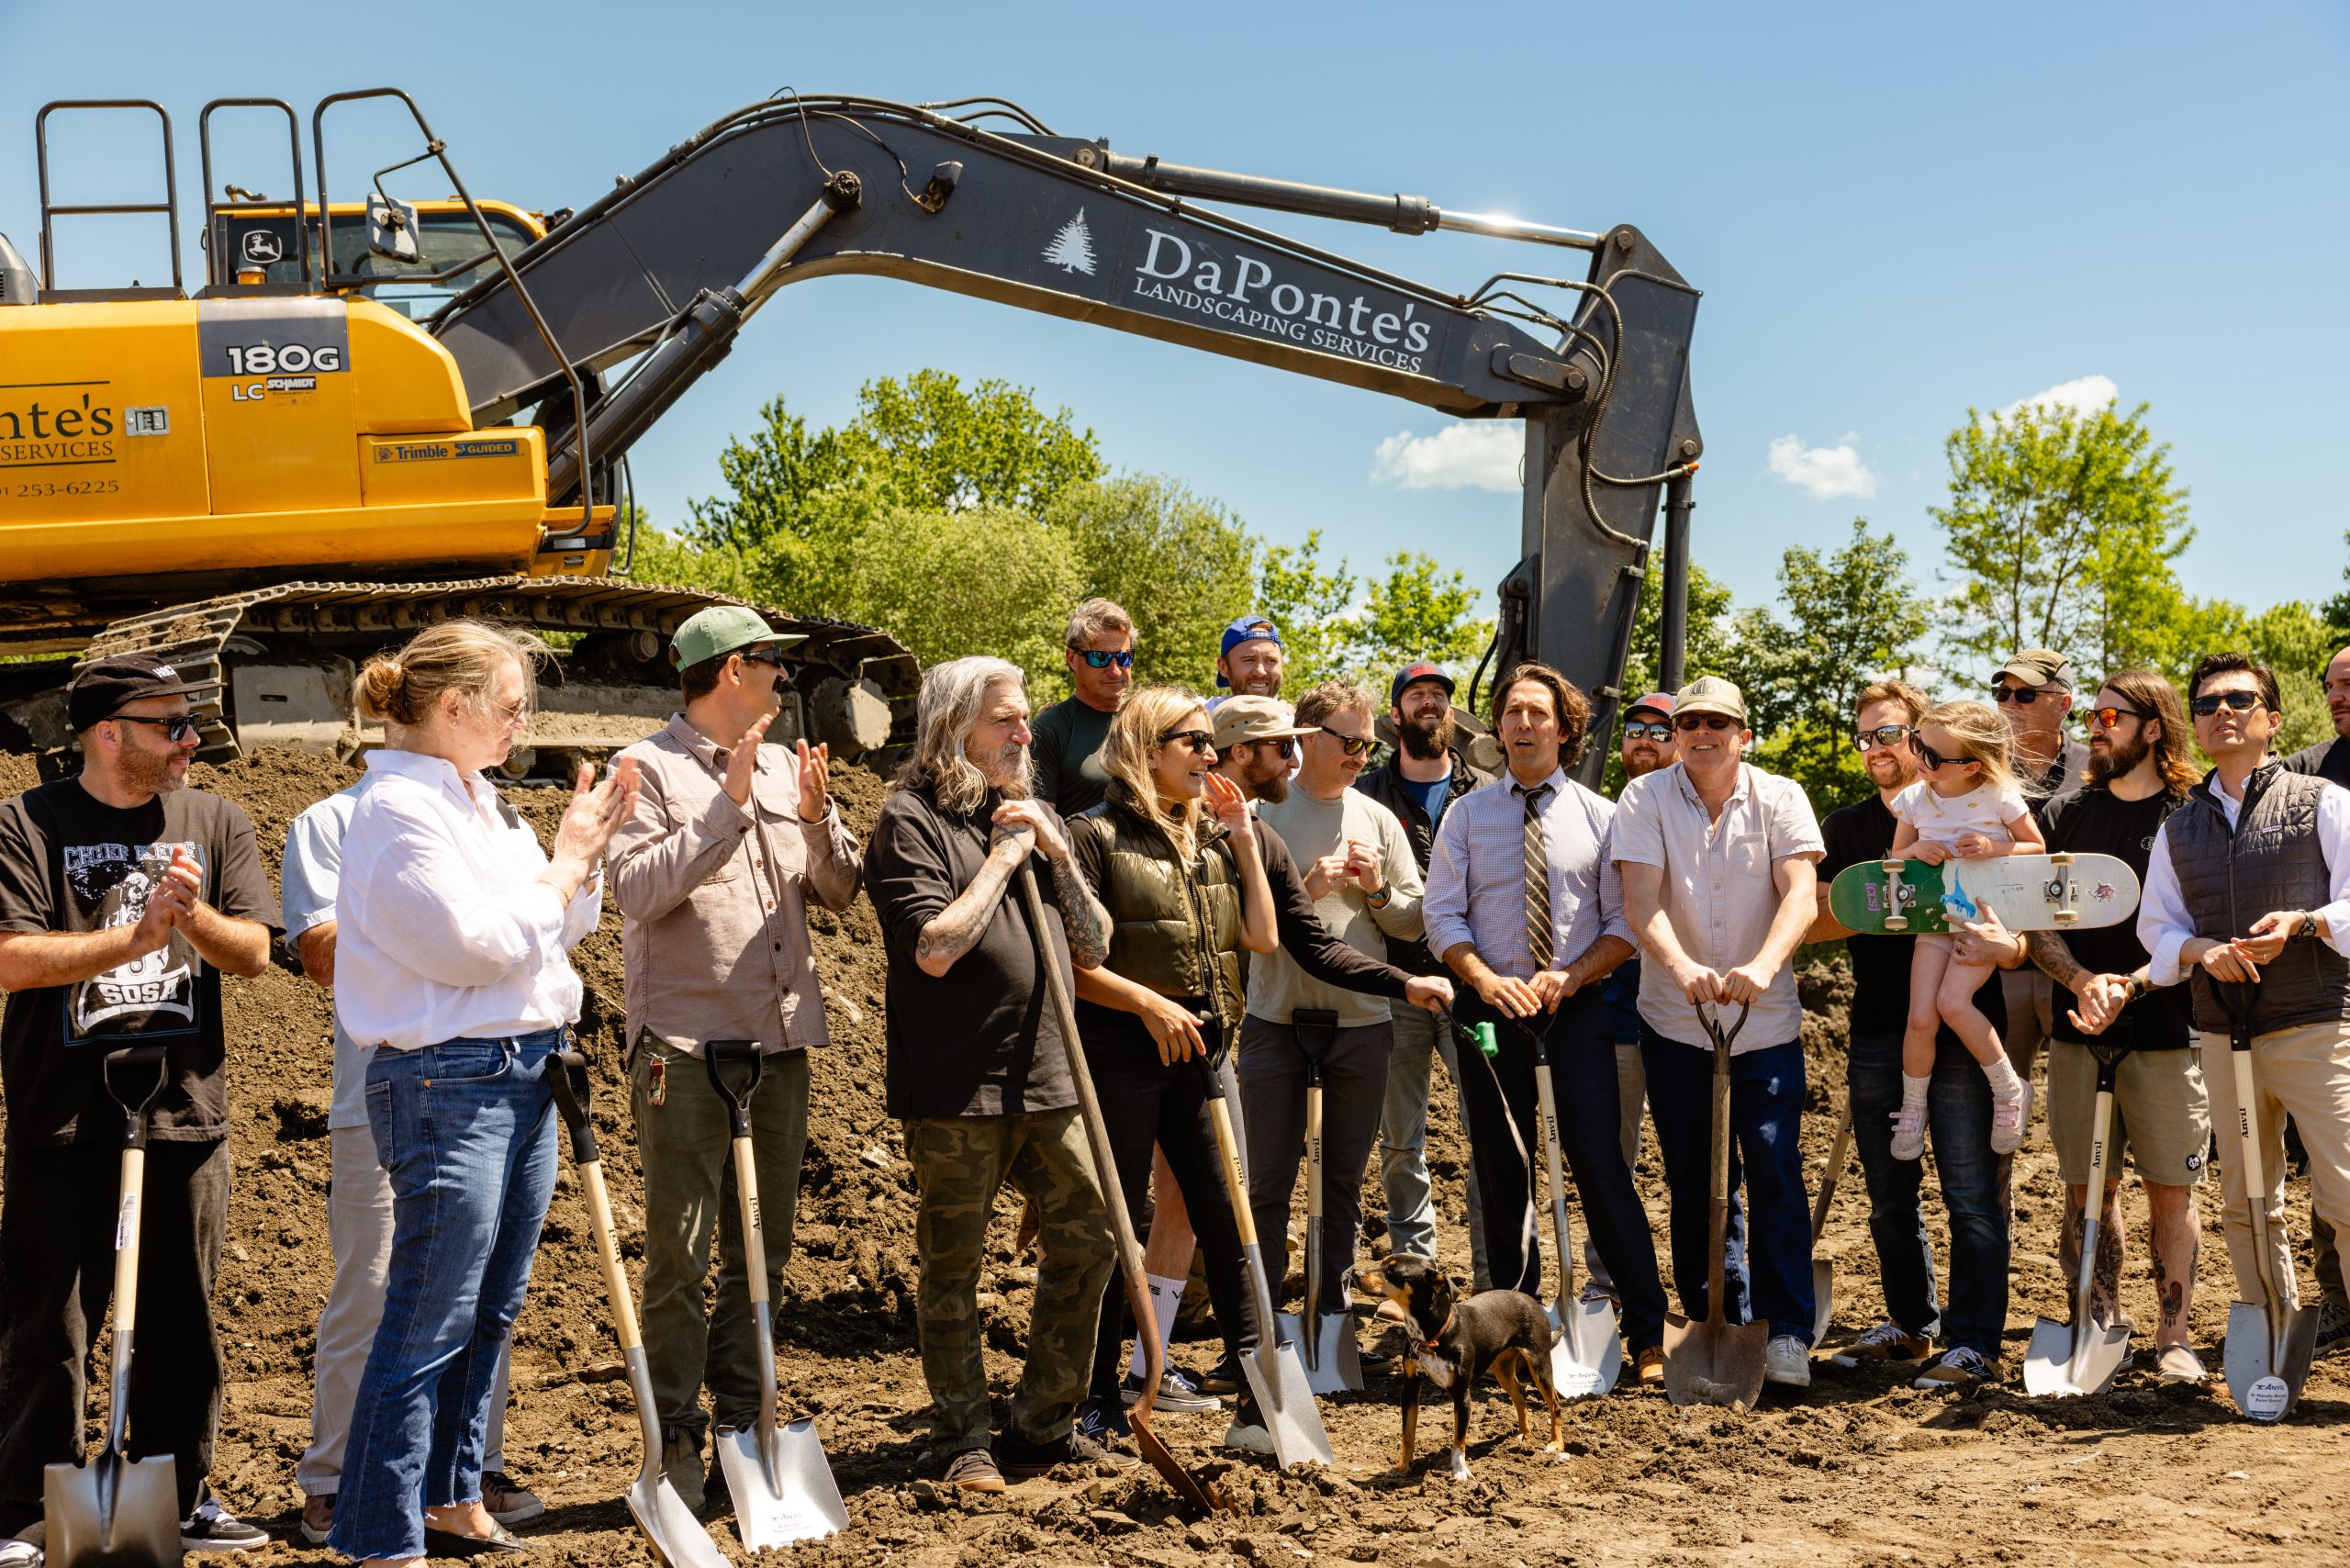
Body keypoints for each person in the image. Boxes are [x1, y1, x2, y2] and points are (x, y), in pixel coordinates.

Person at [329, 622, 637, 1567]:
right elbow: (474, 946)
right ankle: (380, 1533)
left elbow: (552, 928)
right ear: (452, 708)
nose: (522, 722)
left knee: (491, 1307)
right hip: (447, 1080)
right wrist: (559, 868)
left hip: (527, 1070)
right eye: (509, 706)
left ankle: (451, 1493)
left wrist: (576, 860)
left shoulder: (485, 805)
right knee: (428, 1312)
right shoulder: (395, 814)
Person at [0, 655, 276, 1556]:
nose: (193, 739)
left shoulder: (214, 820)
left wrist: (190, 922)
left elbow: (254, 954)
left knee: (182, 1319)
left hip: (183, 1112)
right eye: (172, 724)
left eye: (191, 722)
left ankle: (182, 1491)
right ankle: (30, 1505)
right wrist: (133, 937)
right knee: (49, 1326)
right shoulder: (27, 824)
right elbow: (11, 958)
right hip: (62, 1112)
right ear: (108, 732)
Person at [607, 606, 864, 1509]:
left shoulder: (793, 766)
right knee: (680, 1255)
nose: (784, 681)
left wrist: (823, 819)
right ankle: (673, 1443)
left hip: (779, 1043)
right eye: (771, 666)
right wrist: (729, 803)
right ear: (728, 673)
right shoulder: (641, 769)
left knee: (767, 1252)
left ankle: (745, 1432)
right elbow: (634, 891)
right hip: (683, 1048)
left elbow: (835, 892)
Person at [864, 656, 1119, 1495]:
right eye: (1005, 719)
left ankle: (1045, 1423)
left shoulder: (1035, 817)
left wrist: (1057, 853)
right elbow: (934, 949)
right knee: (954, 1264)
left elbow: (1097, 944)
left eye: (1021, 719)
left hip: (1051, 1073)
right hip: (957, 1084)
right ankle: (962, 1433)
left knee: (1092, 1235)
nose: (1024, 732)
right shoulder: (910, 820)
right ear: (953, 729)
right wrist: (1006, 861)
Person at [284, 785, 540, 1545]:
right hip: (382, 1091)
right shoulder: (332, 822)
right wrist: (440, 930)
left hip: (493, 1085)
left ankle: (467, 1471)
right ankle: (335, 1478)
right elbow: (322, 955)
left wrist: (464, 932)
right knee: (372, 1286)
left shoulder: (496, 818)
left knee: (483, 1289)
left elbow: (535, 936)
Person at [1427, 663, 1669, 1383]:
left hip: (1578, 1012)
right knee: (1504, 1171)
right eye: (1511, 713)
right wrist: (1485, 979)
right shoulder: (1466, 815)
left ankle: (1648, 1330)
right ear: (1497, 729)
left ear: (1565, 730)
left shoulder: (1600, 816)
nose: (1523, 725)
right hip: (1491, 1016)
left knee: (1600, 1168)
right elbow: (1442, 915)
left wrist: (1570, 976)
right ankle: (1511, 1333)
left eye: (1539, 714)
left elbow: (1625, 923)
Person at [1065, 686, 1281, 1454]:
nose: (1209, 755)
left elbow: (1260, 936)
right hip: (1124, 1051)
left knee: (1230, 1221)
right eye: (1191, 740)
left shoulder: (1212, 841)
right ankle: (1094, 1400)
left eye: (1210, 742)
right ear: (1146, 751)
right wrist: (1148, 1006)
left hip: (1204, 1050)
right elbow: (1072, 962)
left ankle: (1262, 1402)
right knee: (1116, 1222)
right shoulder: (1091, 834)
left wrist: (1247, 842)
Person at [2139, 652, 2350, 1381]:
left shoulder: (2322, 800)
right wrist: (2200, 950)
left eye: (2238, 699)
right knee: (2247, 1200)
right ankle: (2276, 1341)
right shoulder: (2177, 828)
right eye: (2206, 705)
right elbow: (2156, 930)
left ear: (2272, 718)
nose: (2220, 712)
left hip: (2317, 1022)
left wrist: (2304, 921)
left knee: (2347, 1192)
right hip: (2223, 1034)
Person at [1615, 675, 1824, 1388]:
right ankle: (1718, 1320)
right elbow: (1641, 901)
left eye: (1718, 723)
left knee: (1772, 1168)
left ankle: (1787, 1329)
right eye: (1690, 722)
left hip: (1763, 1022)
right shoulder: (1644, 798)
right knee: (1697, 1179)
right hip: (1676, 1021)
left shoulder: (1782, 796)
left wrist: (1764, 964)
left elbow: (1799, 892)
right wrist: (1680, 967)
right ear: (1676, 734)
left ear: (1744, 735)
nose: (1702, 733)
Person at [1808, 680, 2016, 1391]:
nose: (1878, 748)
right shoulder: (1847, 827)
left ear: (1926, 738)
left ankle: (1976, 1340)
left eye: (1892, 733)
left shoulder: (1984, 808)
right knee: (1889, 1193)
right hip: (1876, 1027)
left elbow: (2029, 901)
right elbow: (1816, 919)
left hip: (1962, 1024)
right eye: (1864, 736)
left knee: (1969, 1191)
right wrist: (1882, 886)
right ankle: (1913, 1326)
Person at [2026, 670, 2208, 1383]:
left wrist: (2129, 985)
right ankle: (2097, 1318)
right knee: (2087, 1188)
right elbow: (2035, 923)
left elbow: (2204, 926)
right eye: (2095, 715)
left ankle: (2173, 1335)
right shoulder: (2065, 814)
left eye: (2112, 716)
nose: (2097, 726)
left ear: (2154, 728)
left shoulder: (2191, 815)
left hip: (2170, 1028)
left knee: (2172, 1188)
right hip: (2078, 1028)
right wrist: (2080, 981)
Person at [1240, 681, 1426, 1342]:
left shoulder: (1378, 820)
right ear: (1307, 737)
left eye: (1367, 744)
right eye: (1348, 742)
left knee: (1342, 1182)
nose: (1359, 755)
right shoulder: (1263, 818)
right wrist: (1305, 890)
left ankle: (1329, 1315)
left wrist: (1376, 891)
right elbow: (1230, 926)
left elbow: (1412, 926)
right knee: (1267, 1183)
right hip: (1274, 1021)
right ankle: (1257, 1323)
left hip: (1361, 1027)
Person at [1355, 664, 1490, 1287]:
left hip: (1475, 988)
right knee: (1401, 1143)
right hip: (1395, 987)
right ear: (1397, 712)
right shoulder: (1368, 796)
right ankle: (1421, 1278)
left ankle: (1497, 1277)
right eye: (1418, 696)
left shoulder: (1485, 790)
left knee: (1485, 1131)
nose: (1430, 703)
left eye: (1439, 695)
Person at [1886, 700, 2046, 1159]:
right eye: (1918, 745)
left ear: (1971, 765)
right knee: (1920, 1017)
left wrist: (1994, 846)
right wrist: (1918, 848)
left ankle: (2009, 1089)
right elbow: (1892, 862)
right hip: (1936, 919)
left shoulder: (1998, 795)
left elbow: (2036, 847)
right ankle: (1913, 1108)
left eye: (1932, 756)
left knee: (1952, 1003)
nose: (1919, 760)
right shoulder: (1914, 799)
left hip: (1982, 923)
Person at [2281, 642, 2350, 1349]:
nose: (2336, 696)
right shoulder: (2306, 772)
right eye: (2329, 685)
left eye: (2349, 684)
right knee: (2334, 1154)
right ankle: (2337, 1292)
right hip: (2333, 986)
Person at [1992, 649, 2088, 1093]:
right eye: (2003, 692)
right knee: (1998, 1108)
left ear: (2063, 704)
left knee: (2083, 1108)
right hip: (1999, 966)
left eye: (2026, 694)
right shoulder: (1977, 769)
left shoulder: (2098, 771)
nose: (2010, 702)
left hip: (2079, 964)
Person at [1032, 598, 1135, 818]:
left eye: (1124, 658)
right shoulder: (1048, 730)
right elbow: (1042, 826)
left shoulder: (1148, 720)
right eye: (1100, 658)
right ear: (1072, 658)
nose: (1115, 670)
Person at [1213, 616, 1284, 700]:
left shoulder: (1291, 712)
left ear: (1282, 663)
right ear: (1223, 667)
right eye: (1249, 660)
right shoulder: (1204, 710)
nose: (1260, 672)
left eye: (1271, 661)